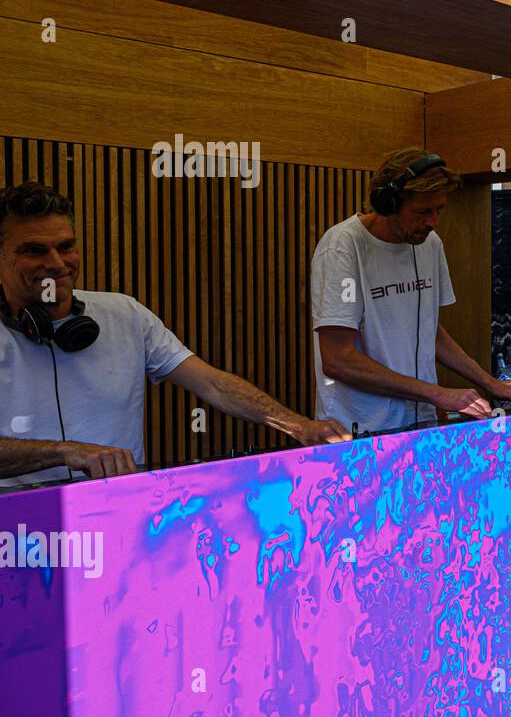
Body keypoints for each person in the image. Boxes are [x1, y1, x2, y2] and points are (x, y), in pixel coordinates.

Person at [0, 183, 350, 490]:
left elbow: (213, 384)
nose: (57, 262)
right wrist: (65, 452)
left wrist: (298, 425)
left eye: (66, 247)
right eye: (34, 251)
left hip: (116, 511)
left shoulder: (125, 314)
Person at [311, 148, 511, 434]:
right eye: (422, 211)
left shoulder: (430, 245)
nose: (434, 222)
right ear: (388, 204)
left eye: (439, 209)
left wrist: (491, 383)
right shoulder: (343, 247)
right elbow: (338, 360)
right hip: (357, 431)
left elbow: (429, 331)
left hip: (420, 424)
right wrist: (438, 393)